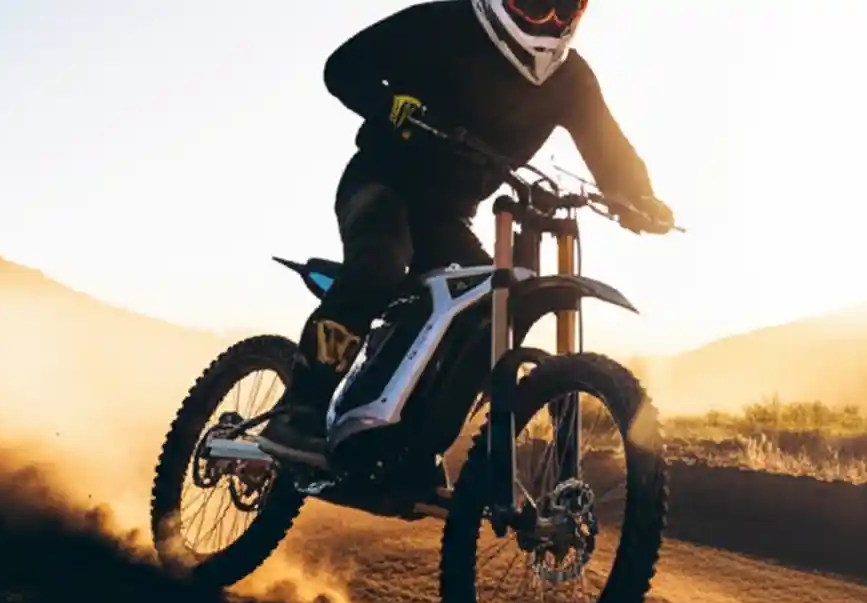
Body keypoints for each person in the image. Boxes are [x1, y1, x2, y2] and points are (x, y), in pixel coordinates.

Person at [258, 0, 676, 468]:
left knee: (486, 310)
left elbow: (608, 146)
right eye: (538, 6)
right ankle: (299, 410)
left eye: (565, 10)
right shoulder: (445, 23)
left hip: (447, 217)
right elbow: (343, 67)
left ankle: (406, 439)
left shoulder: (570, 79)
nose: (551, 21)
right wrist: (388, 103)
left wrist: (639, 198)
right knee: (379, 266)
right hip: (381, 182)